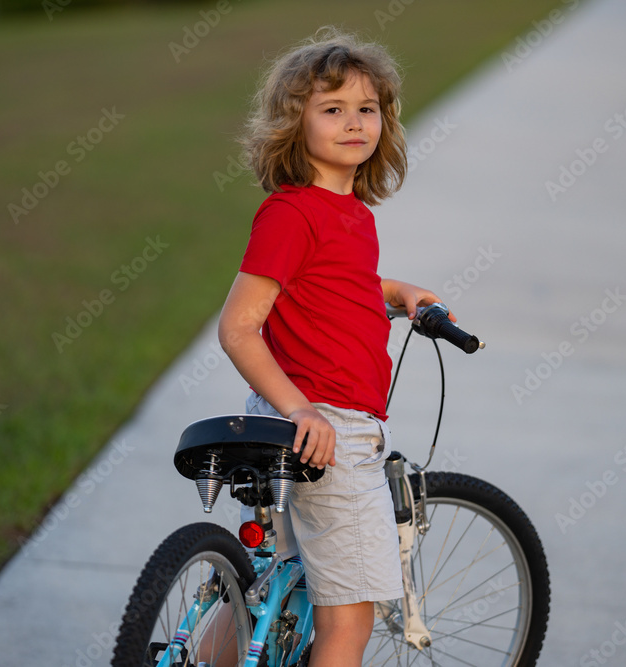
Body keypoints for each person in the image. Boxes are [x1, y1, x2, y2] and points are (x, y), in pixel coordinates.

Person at [216, 27, 450, 667]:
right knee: (349, 621)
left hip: (311, 418)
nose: (354, 122)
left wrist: (394, 291)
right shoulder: (292, 214)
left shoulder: (350, 214)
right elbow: (238, 326)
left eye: (367, 109)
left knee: (267, 593)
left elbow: (333, 283)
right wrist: (303, 410)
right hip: (327, 425)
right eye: (332, 108)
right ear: (294, 125)